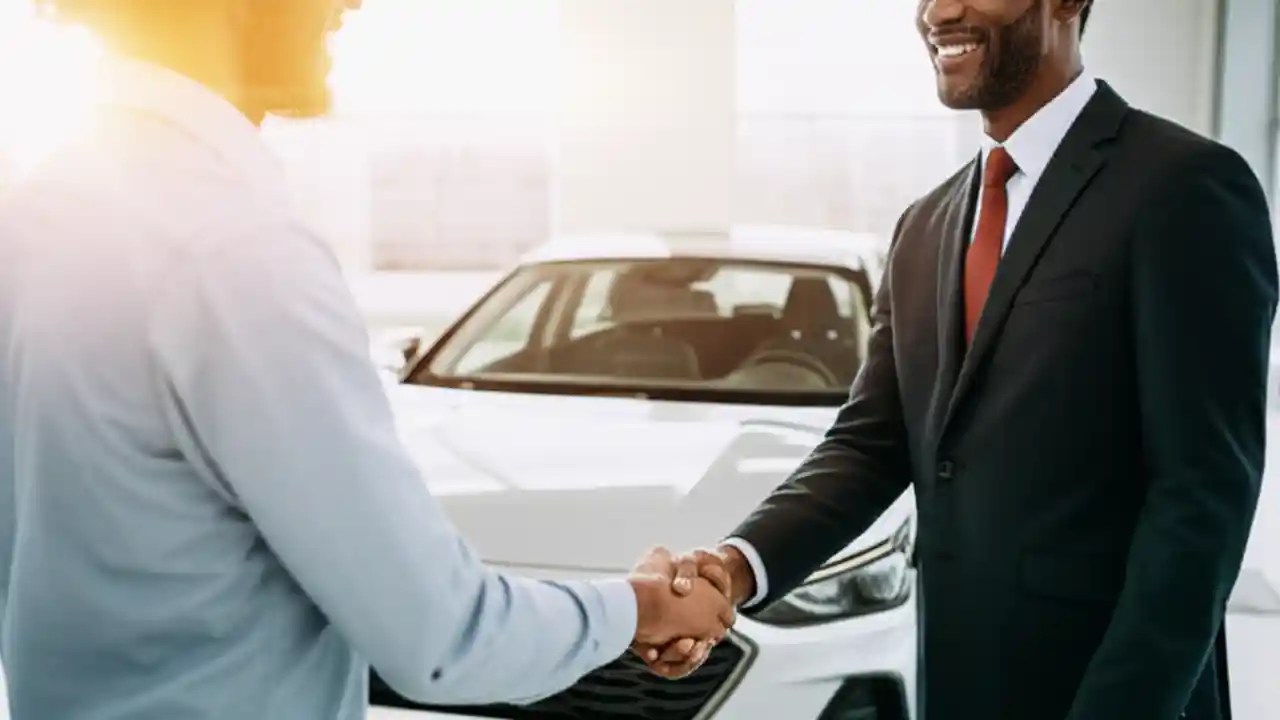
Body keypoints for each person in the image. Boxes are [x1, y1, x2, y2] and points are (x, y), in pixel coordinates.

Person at [0, 1, 733, 718]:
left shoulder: (35, 218)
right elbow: (447, 638)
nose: (349, 3)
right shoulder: (239, 254)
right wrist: (637, 607)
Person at [646, 1, 1278, 719]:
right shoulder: (927, 224)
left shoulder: (1184, 188)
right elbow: (869, 445)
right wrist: (734, 568)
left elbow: (1202, 502)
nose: (939, 11)